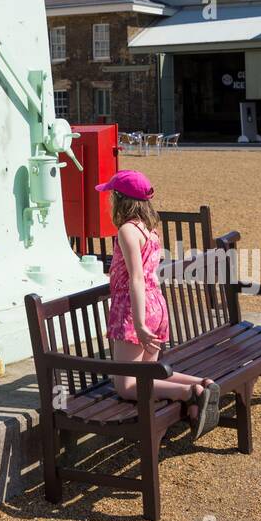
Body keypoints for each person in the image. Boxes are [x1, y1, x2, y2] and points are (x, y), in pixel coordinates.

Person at [96, 169, 220, 437]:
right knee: (148, 374)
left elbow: (136, 278)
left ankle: (190, 393)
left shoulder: (127, 230)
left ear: (120, 198)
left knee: (126, 387)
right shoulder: (150, 229)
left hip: (133, 309)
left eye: (111, 195)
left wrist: (138, 323)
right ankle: (204, 384)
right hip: (156, 304)